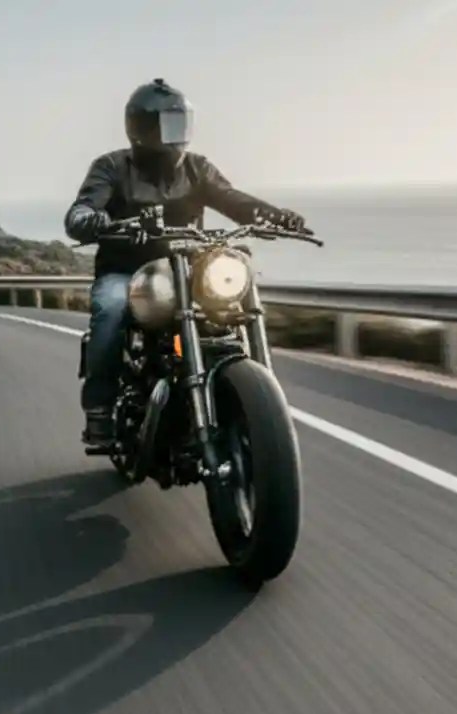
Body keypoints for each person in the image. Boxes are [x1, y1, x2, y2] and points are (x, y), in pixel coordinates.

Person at [65, 78, 307, 445]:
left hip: (188, 271)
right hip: (128, 273)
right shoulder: (112, 167)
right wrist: (90, 219)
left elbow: (231, 198)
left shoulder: (197, 168)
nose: (174, 134)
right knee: (111, 308)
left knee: (230, 298)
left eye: (180, 123)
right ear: (142, 129)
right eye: (165, 124)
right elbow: (82, 209)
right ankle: (99, 408)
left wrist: (271, 215)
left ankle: (259, 412)